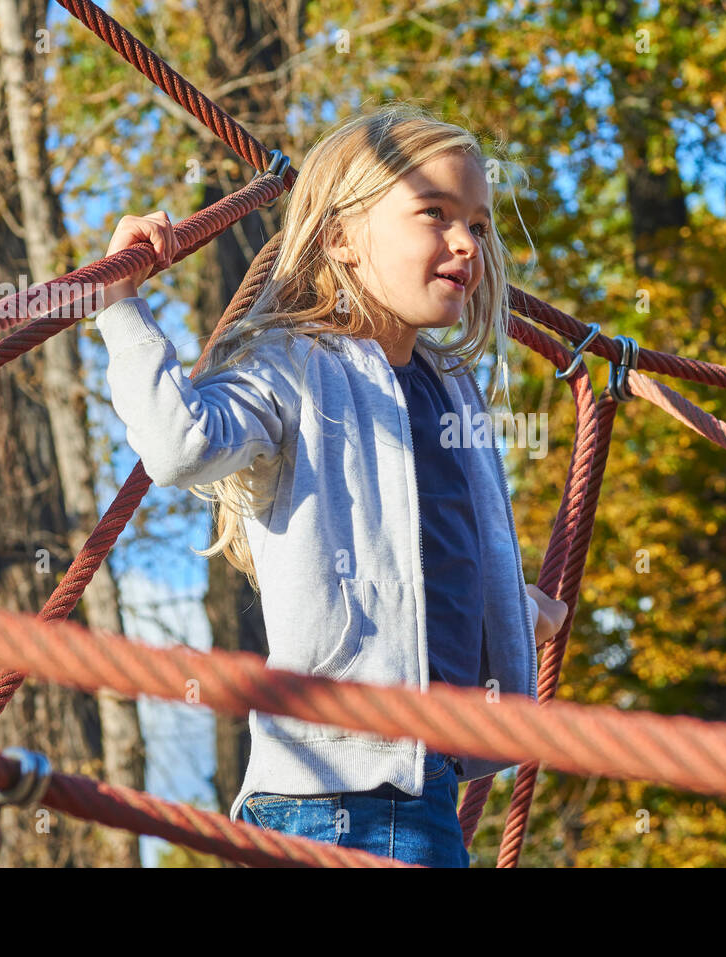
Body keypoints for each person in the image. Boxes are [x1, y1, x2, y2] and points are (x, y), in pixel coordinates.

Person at [92, 103, 568, 867]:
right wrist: (121, 306)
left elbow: (428, 545)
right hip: (334, 795)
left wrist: (512, 605)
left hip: (425, 783)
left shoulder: (451, 387)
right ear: (342, 236)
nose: (464, 243)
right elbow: (181, 446)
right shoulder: (294, 362)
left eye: (478, 226)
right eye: (434, 214)